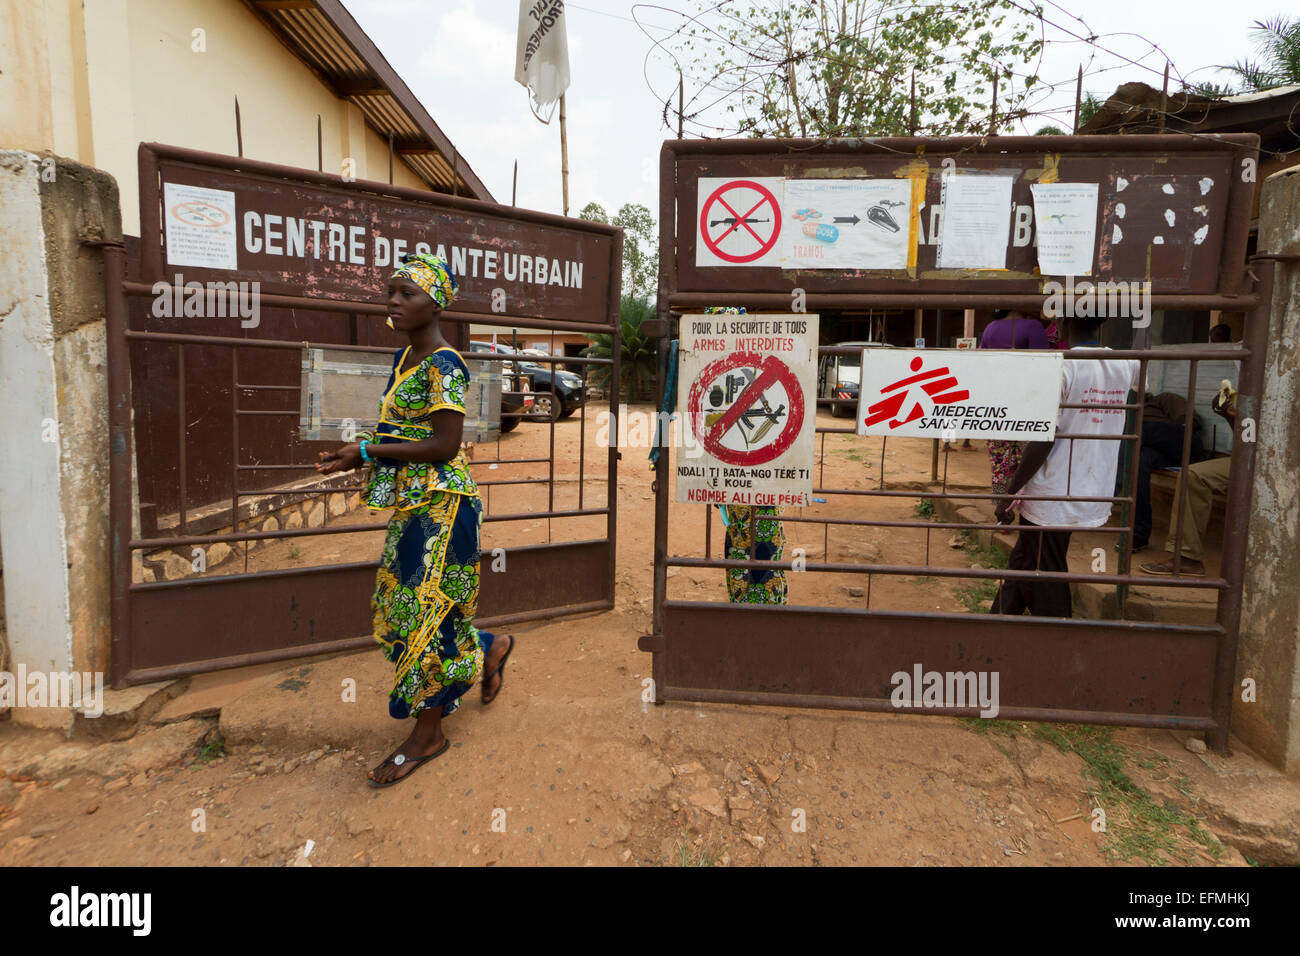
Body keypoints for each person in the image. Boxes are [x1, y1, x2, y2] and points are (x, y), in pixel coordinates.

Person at [316, 252, 513, 787]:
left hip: (443, 507)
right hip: (416, 503)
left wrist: (367, 450)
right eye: (390, 292)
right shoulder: (406, 359)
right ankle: (488, 646)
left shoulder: (445, 363)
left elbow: (446, 445)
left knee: (423, 613)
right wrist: (362, 451)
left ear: (436, 303)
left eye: (407, 293)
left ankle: (429, 734)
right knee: (406, 606)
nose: (393, 302)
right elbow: (405, 434)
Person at [991, 314, 1140, 616]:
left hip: (1054, 490)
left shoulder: (1062, 366)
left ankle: (1059, 632)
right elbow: (1143, 380)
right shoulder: (1126, 363)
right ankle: (1000, 619)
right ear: (1102, 324)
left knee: (1046, 568)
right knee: (1026, 557)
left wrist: (1011, 490)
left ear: (1061, 325)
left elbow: (1042, 440)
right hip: (1093, 485)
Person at [705, 307, 788, 605]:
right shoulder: (711, 379)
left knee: (761, 540)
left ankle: (763, 605)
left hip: (761, 475)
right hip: (732, 477)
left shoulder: (759, 370)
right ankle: (742, 603)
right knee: (739, 539)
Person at [1139, 382, 1236, 577]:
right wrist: (1228, 414)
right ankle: (1186, 558)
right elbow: (1249, 440)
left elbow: (1188, 423)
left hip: (1284, 467)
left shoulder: (1164, 399)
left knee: (1136, 432)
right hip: (1252, 458)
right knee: (1187, 474)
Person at [979, 309, 1052, 496]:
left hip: (996, 406)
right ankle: (1023, 507)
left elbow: (980, 360)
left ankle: (1000, 505)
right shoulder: (1033, 327)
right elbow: (1044, 367)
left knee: (999, 463)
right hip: (1025, 405)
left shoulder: (990, 328)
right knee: (1026, 462)